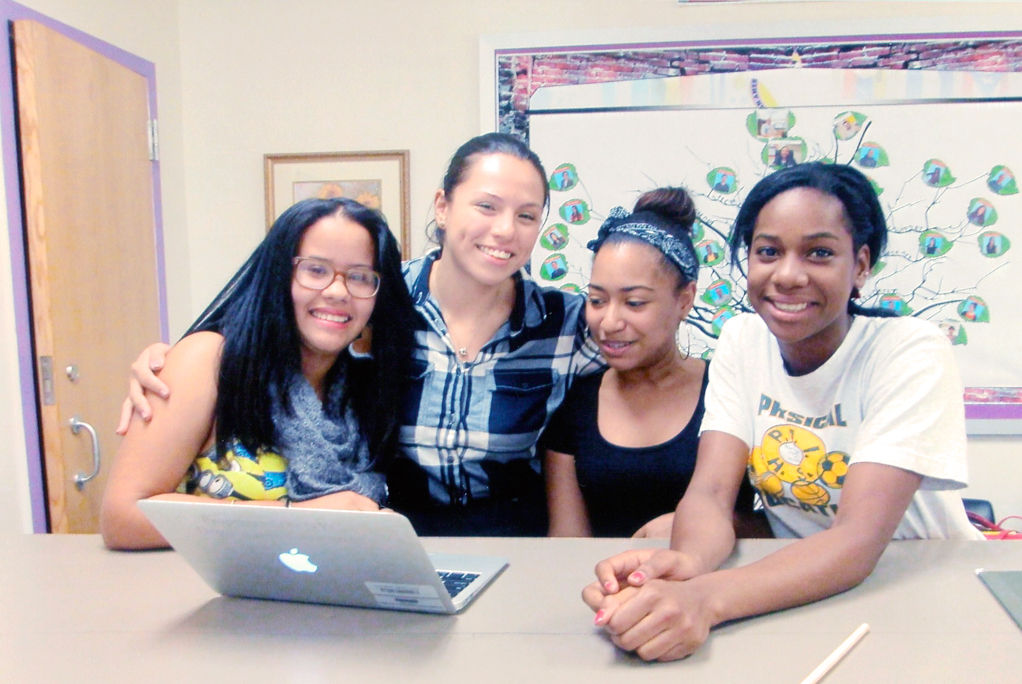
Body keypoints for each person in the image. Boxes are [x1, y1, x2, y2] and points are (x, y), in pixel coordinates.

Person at [582, 162, 982, 662]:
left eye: (819, 253)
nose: (788, 275)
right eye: (768, 251)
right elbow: (710, 493)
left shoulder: (908, 351)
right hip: (795, 590)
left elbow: (857, 540)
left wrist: (704, 599)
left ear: (860, 265)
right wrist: (683, 567)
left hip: (916, 589)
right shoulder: (742, 340)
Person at [117, 133, 604, 537]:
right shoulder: (388, 301)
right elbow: (125, 511)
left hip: (504, 536)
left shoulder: (566, 324)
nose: (505, 230)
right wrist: (168, 362)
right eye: (486, 206)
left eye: (526, 215)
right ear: (443, 206)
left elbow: (637, 357)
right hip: (390, 538)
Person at [101, 197, 415, 549]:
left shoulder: (366, 389)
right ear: (278, 274)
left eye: (359, 277)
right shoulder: (209, 360)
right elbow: (123, 518)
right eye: (315, 270)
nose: (338, 291)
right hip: (207, 583)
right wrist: (303, 517)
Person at [543, 187, 755, 538]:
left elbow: (778, 525)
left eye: (635, 303)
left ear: (685, 300)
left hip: (722, 572)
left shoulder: (727, 391)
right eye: (597, 300)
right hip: (603, 573)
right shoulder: (576, 403)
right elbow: (566, 542)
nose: (610, 322)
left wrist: (700, 526)